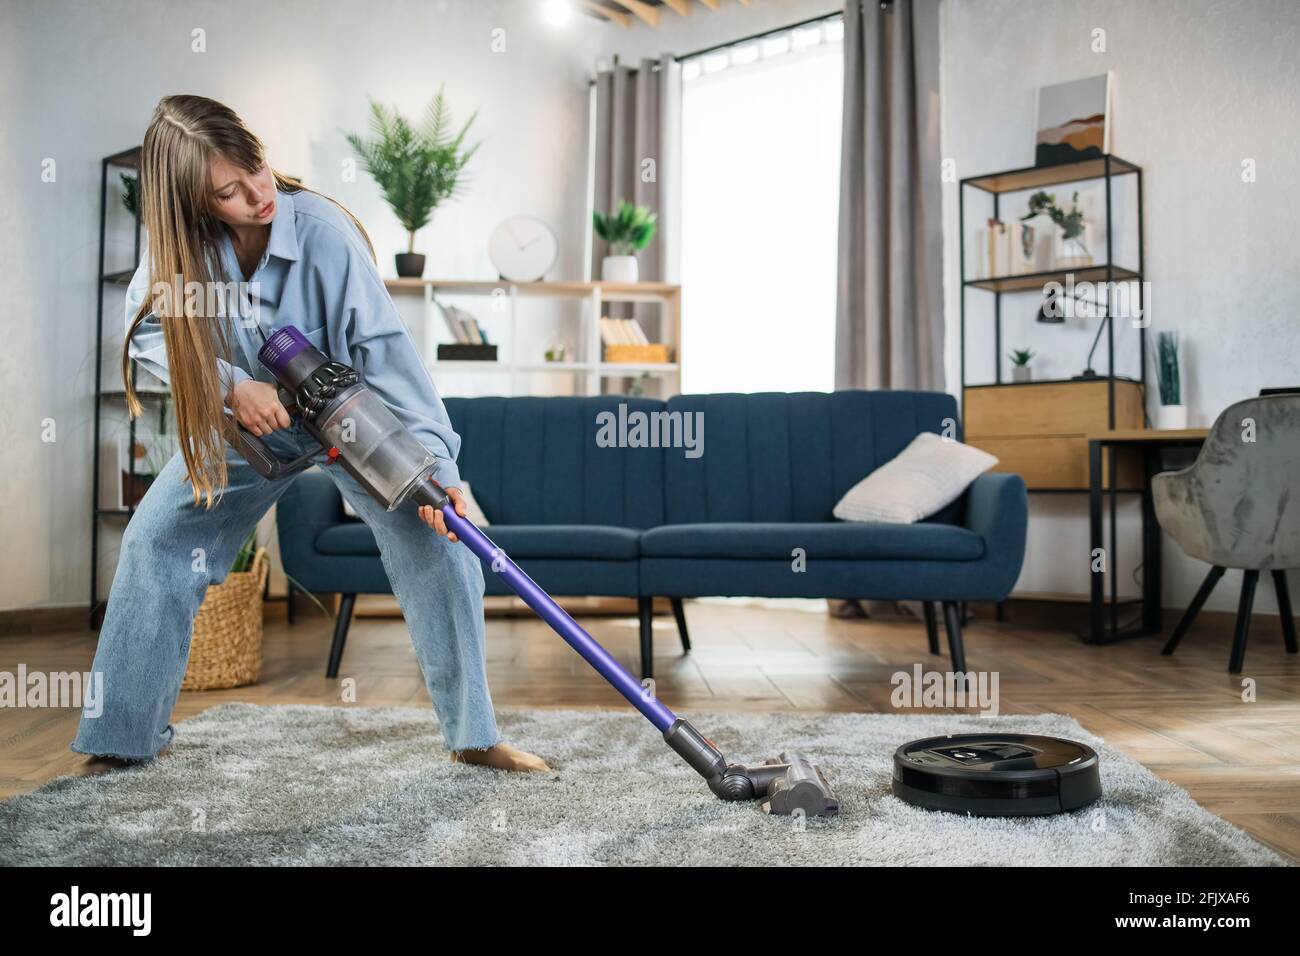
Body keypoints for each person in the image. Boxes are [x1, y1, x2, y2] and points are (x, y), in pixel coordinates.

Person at [73, 94, 549, 774]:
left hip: (349, 417)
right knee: (156, 540)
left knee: (438, 547)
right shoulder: (180, 251)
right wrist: (229, 384)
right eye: (228, 193)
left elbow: (387, 356)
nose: (256, 195)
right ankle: (119, 743)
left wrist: (437, 470)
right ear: (195, 204)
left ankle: (475, 737)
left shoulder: (324, 234)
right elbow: (147, 330)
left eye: (256, 171)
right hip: (244, 430)